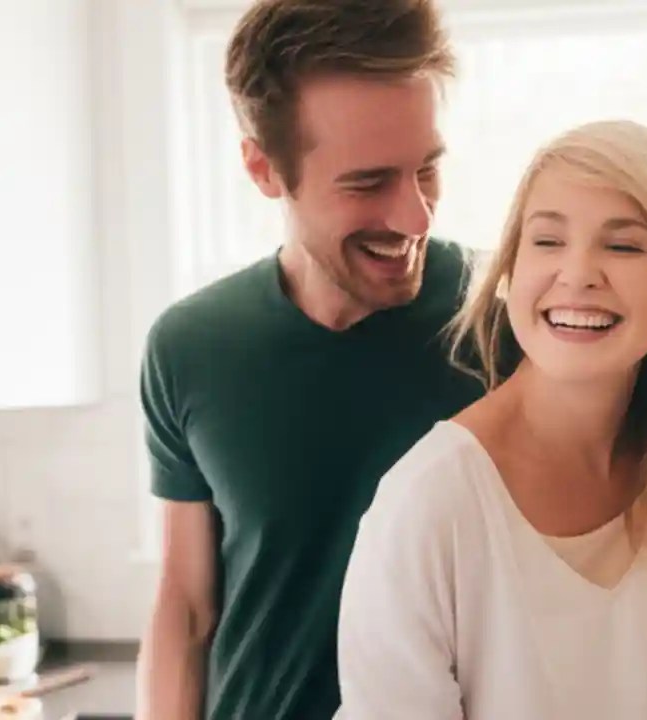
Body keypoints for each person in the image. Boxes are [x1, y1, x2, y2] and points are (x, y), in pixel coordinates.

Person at [335, 119, 647, 719]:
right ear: (508, 273)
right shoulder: (430, 505)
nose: (579, 272)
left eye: (624, 245)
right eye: (547, 241)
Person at [134, 1, 482, 718]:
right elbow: (188, 607)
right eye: (368, 183)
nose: (415, 216)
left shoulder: (504, 319)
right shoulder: (190, 348)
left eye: (428, 170)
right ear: (264, 168)